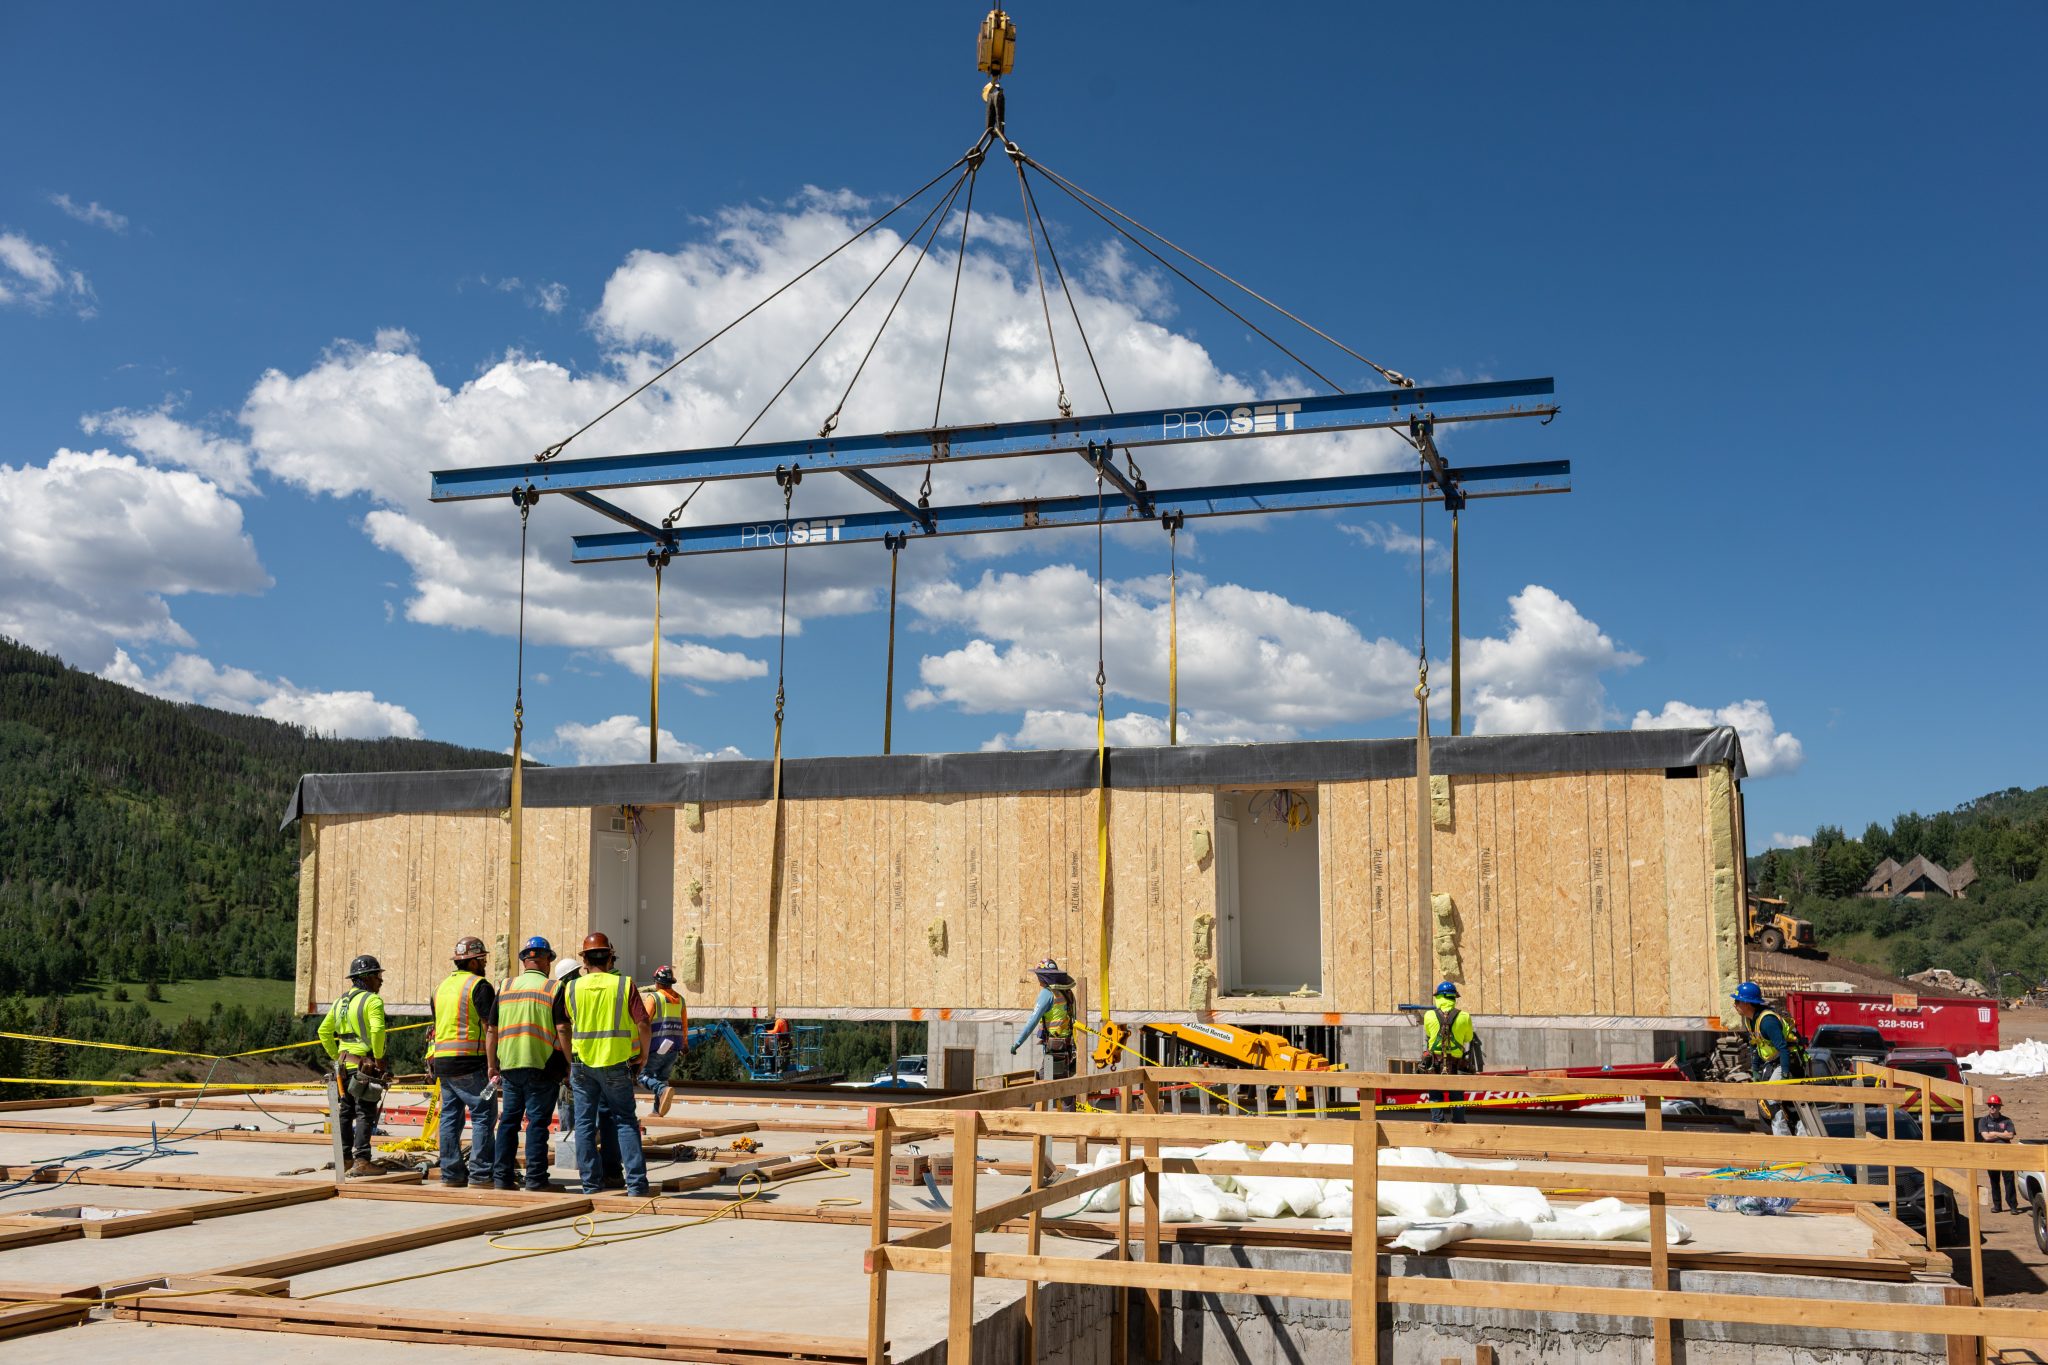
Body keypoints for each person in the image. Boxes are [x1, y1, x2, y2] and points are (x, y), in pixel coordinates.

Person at [554, 931, 652, 1197]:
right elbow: (643, 1023)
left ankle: (591, 1186)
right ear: (610, 957)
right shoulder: (623, 985)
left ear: (584, 960)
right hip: (615, 1064)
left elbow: (563, 1027)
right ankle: (636, 1186)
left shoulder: (571, 987)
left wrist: (569, 1060)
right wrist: (643, 1055)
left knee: (584, 1124)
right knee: (625, 1122)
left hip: (582, 1065)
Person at [491, 936, 563, 1191]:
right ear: (546, 961)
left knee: (509, 1122)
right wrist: (567, 1062)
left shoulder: (506, 986)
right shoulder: (553, 988)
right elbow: (562, 1028)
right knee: (537, 1123)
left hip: (509, 1064)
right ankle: (535, 1179)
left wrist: (492, 1065)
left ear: (524, 961)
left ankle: (501, 1178)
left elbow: (492, 1029)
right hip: (541, 1064)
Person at [429, 935, 499, 1188]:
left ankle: (452, 1174)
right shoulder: (479, 986)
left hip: (444, 1062)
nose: (485, 963)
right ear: (472, 962)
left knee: (449, 1117)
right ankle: (481, 1174)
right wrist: (495, 1062)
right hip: (470, 1060)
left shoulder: (440, 987)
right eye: (482, 959)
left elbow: (437, 1025)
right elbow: (489, 1027)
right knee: (483, 1114)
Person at [318, 953, 389, 1178]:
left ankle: (346, 1158)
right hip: (364, 1067)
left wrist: (337, 1055)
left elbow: (323, 1031)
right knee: (365, 1111)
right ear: (366, 977)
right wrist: (379, 1060)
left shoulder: (340, 1002)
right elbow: (377, 1030)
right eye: (378, 975)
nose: (380, 980)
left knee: (346, 1112)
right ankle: (362, 1160)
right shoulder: (372, 1000)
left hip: (344, 1067)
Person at [1730, 981, 1807, 1136]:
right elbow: (1754, 1046)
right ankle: (1791, 1134)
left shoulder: (1768, 1021)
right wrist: (1755, 1070)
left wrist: (1785, 1074)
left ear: (1747, 1003)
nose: (1735, 1004)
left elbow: (1783, 1049)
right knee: (1771, 1100)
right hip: (1775, 1062)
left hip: (1790, 1061)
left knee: (1771, 1096)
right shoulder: (1750, 1020)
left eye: (1737, 1001)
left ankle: (1783, 1140)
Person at [1420, 980, 1479, 1123]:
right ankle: (1458, 1125)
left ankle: (1437, 1124)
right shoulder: (1464, 1016)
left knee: (1435, 1096)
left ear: (1438, 997)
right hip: (1456, 1065)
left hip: (1435, 1064)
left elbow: (1428, 1033)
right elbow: (1469, 1037)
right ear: (1454, 998)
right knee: (1457, 1097)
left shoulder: (1429, 1015)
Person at [1009, 959, 1077, 1082]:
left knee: (1046, 1081)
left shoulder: (1047, 994)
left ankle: (1058, 1102)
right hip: (1069, 1046)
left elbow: (1032, 1021)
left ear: (1044, 977)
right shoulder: (1067, 992)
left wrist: (1017, 1043)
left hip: (1055, 1048)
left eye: (1038, 975)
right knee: (1063, 1084)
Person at [639, 966, 688, 1116]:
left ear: (657, 983)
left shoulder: (653, 998)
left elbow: (644, 1023)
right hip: (673, 1048)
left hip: (655, 1047)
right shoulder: (680, 1000)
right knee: (662, 1077)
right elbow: (684, 1024)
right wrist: (685, 1044)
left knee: (643, 1078)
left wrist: (639, 1046)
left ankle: (662, 1090)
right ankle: (656, 1111)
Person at [1978, 1093, 2019, 1213]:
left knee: (2009, 1180)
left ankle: (2013, 1206)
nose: (1992, 1107)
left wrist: (1994, 1133)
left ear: (2000, 1107)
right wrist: (2002, 1134)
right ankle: (1997, 1206)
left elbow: (2010, 1135)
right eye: (1990, 1105)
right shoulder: (1983, 1121)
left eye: (1995, 1105)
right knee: (1994, 1181)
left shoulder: (2007, 1120)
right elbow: (1985, 1137)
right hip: (1991, 1155)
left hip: (2006, 1155)